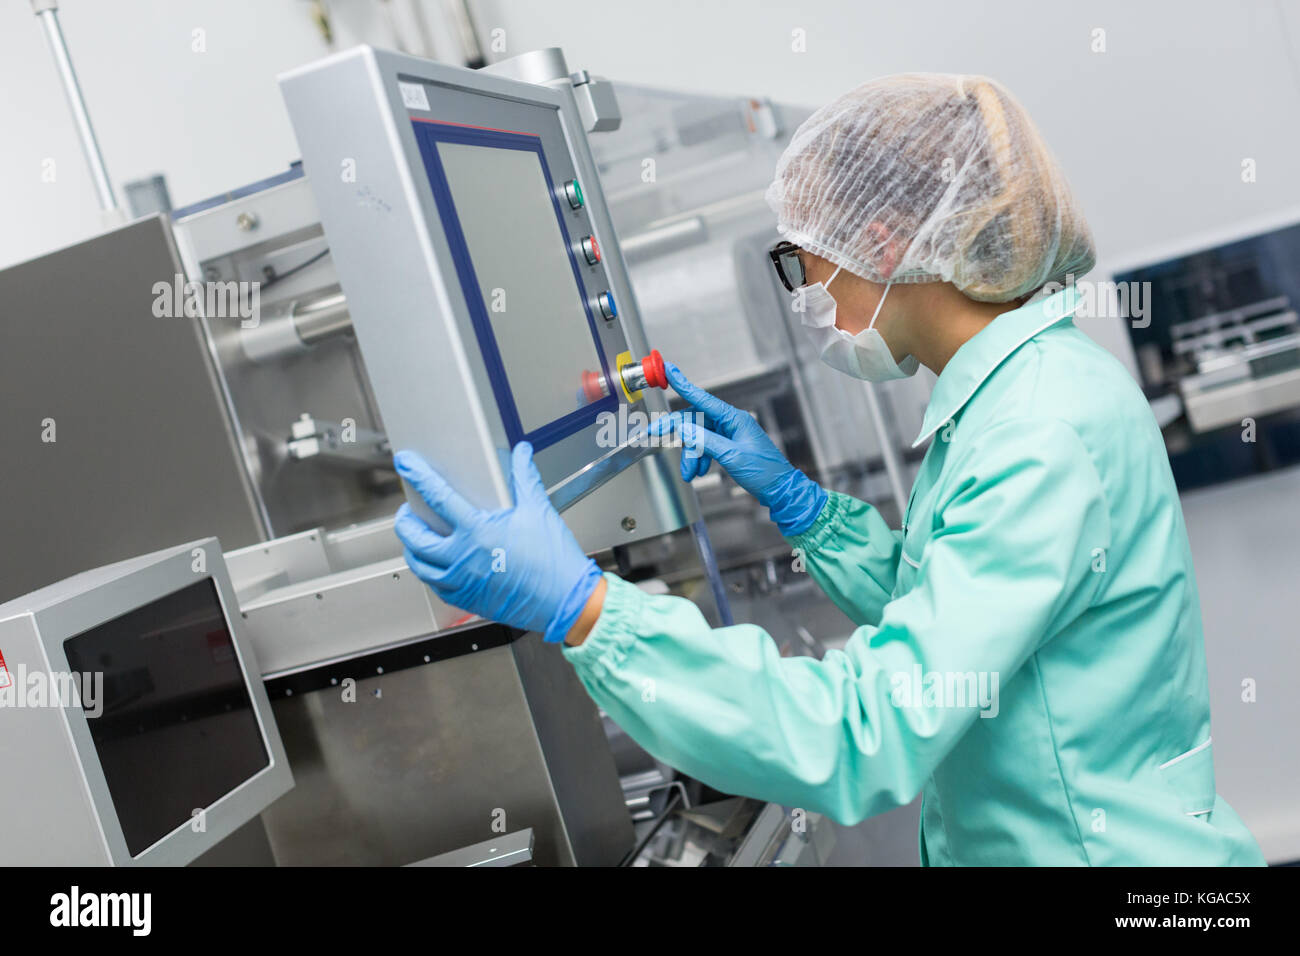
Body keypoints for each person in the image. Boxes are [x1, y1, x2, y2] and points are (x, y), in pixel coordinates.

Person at [392, 74, 1265, 865]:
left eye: (799, 257)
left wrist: (585, 612)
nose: (804, 292)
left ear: (881, 244)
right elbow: (958, 620)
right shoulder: (1025, 396)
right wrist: (804, 508)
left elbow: (864, 734)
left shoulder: (1040, 430)